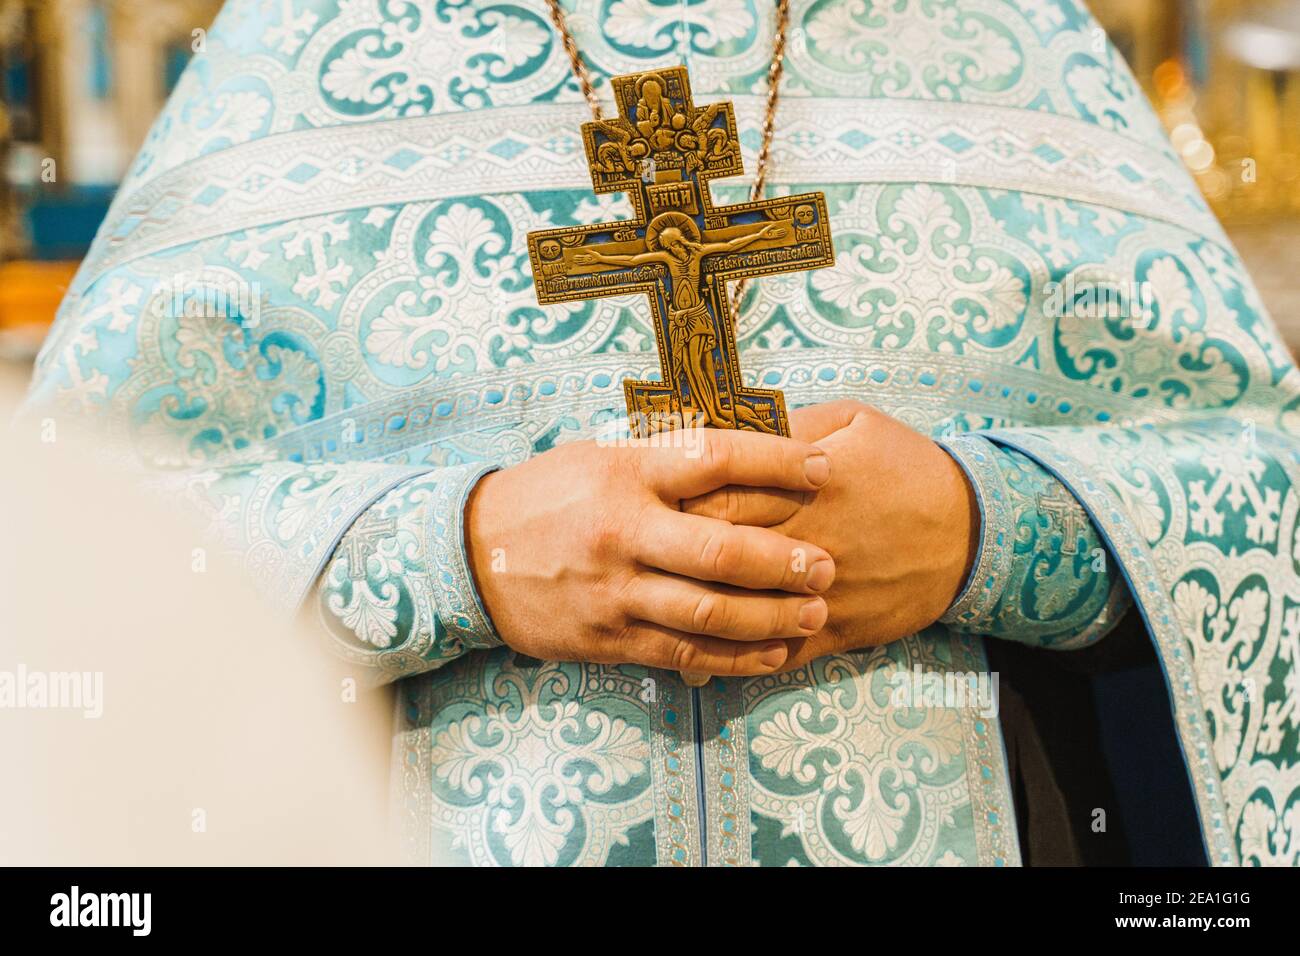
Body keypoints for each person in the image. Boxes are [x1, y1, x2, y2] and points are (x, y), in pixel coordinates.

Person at [23, 0, 1298, 866]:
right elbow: (72, 553)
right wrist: (450, 554)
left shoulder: (1003, 31)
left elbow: (1253, 475)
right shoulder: (306, 43)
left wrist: (987, 530)